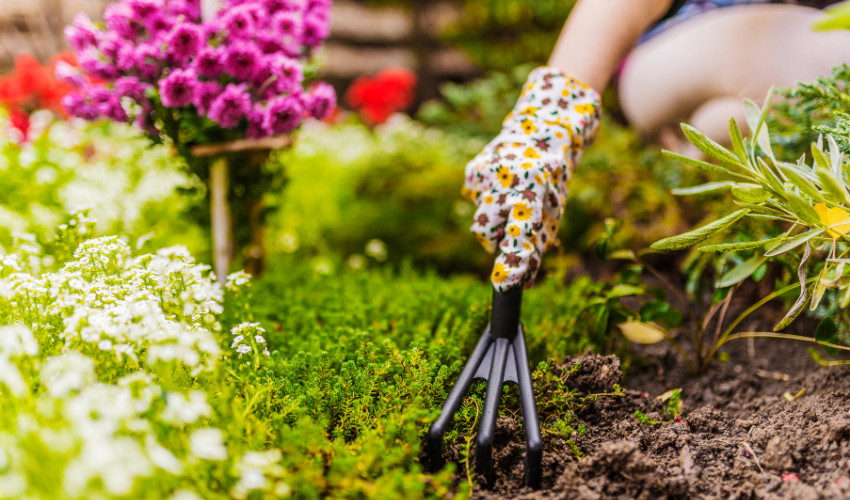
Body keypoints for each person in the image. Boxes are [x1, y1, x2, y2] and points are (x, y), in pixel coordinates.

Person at [464, 0, 850, 292]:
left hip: (783, 62)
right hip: (690, 43)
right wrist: (547, 120)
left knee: (731, 120)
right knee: (833, 52)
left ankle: (710, 137)